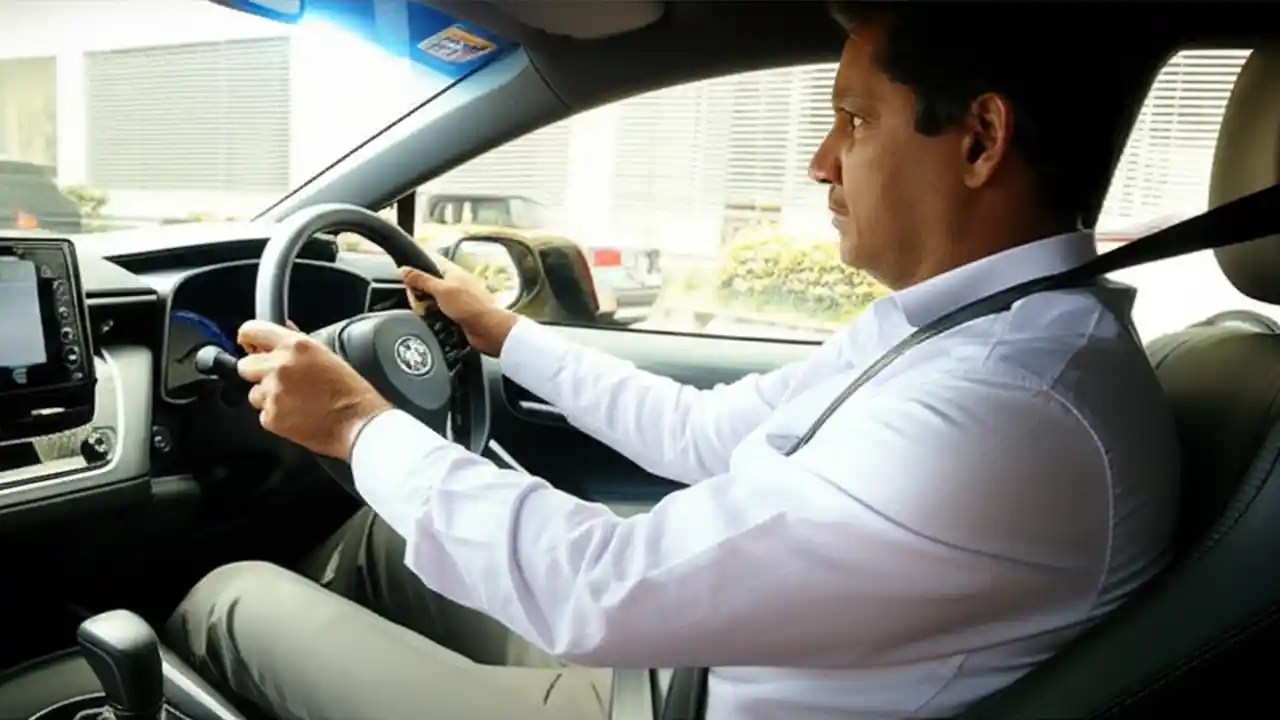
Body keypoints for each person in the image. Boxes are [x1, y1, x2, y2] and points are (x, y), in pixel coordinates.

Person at [163, 3, 1180, 719]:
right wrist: (506, 334)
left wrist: (352, 423)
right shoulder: (976, 332)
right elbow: (705, 433)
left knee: (230, 600)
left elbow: (600, 586)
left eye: (854, 119)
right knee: (384, 543)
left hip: (667, 696)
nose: (821, 161)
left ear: (978, 139)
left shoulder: (1003, 410)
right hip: (686, 663)